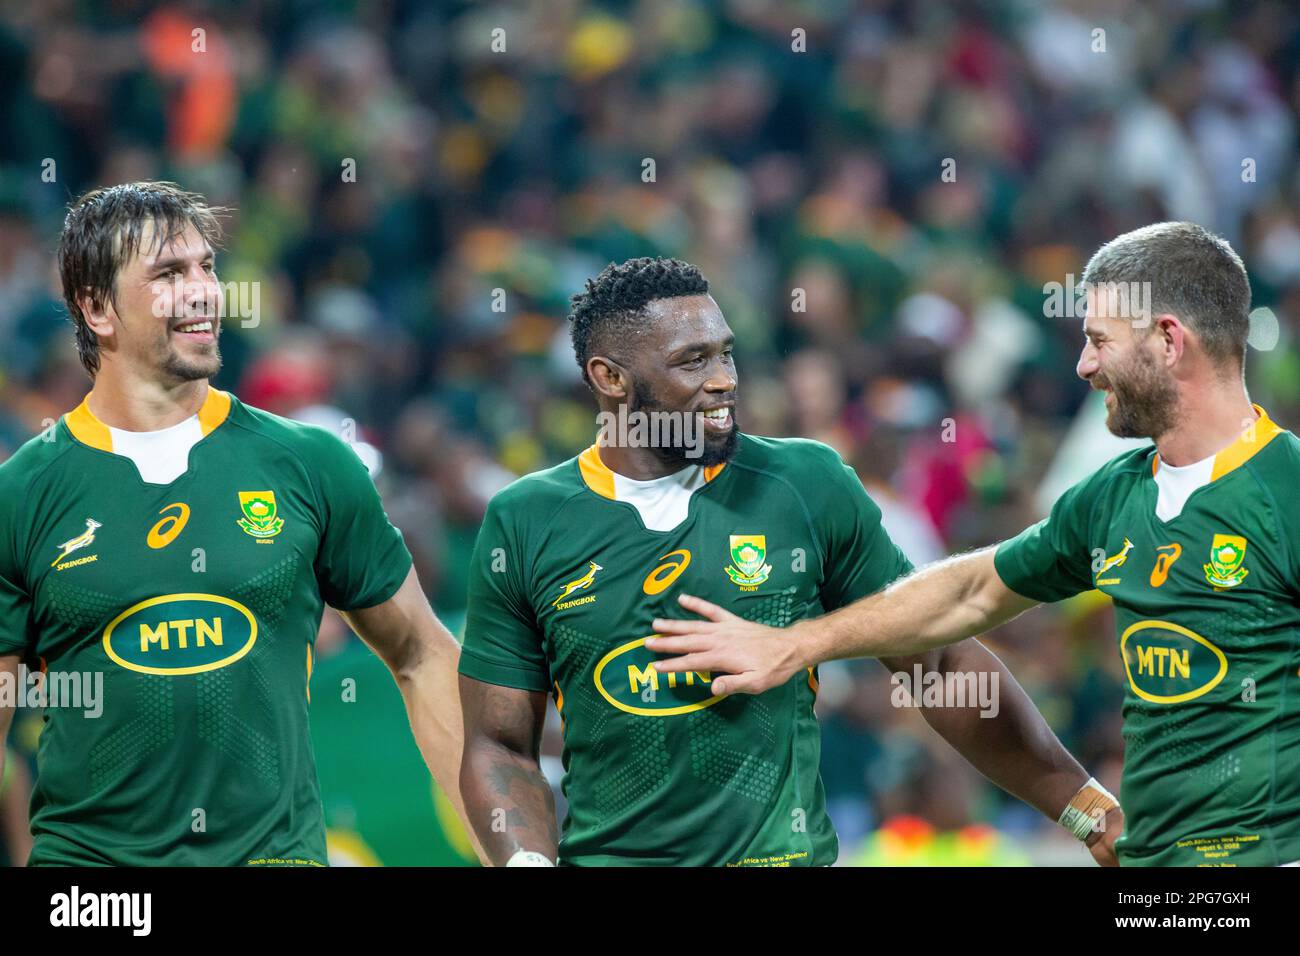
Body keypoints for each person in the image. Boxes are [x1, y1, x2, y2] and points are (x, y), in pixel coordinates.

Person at [650, 222, 1300, 866]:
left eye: (1099, 341)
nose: (1084, 364)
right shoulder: (1112, 497)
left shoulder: (1286, 491)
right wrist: (799, 642)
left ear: (1168, 340)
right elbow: (967, 592)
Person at [458, 256, 1119, 867]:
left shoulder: (805, 484)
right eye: (692, 361)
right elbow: (500, 743)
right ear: (609, 378)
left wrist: (1089, 812)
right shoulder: (526, 520)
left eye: (726, 353)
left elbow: (940, 665)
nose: (724, 381)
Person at [0, 181, 473, 866]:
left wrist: (507, 848)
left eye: (206, 267)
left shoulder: (311, 465)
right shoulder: (23, 495)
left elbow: (423, 653)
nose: (203, 292)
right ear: (96, 307)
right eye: (168, 274)